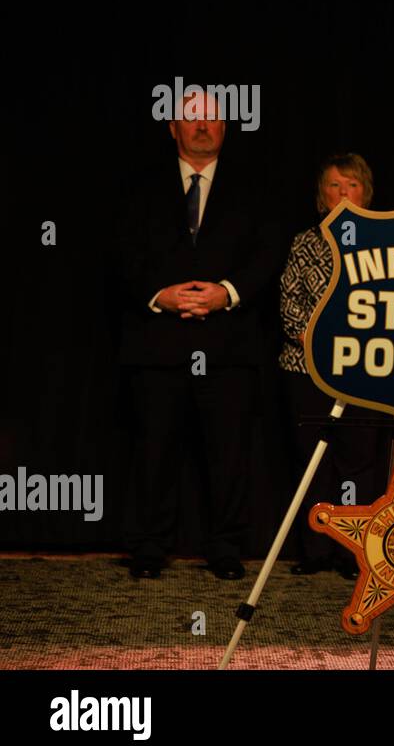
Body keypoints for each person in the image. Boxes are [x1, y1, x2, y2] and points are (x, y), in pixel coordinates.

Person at [116, 92, 281, 580]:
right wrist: (158, 294)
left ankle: (226, 546)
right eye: (190, 118)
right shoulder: (140, 188)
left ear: (226, 126)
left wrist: (226, 293)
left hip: (228, 343)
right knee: (153, 451)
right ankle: (150, 546)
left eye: (211, 116)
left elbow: (268, 253)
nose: (202, 125)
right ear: (172, 128)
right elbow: (120, 253)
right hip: (157, 343)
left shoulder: (255, 188)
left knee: (229, 453)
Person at [279, 153, 387, 578]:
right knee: (313, 463)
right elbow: (290, 307)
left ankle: (351, 552)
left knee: (358, 464)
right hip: (307, 371)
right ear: (322, 198)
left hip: (366, 371)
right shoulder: (304, 243)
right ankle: (315, 550)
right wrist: (321, 343)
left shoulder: (387, 245)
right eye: (334, 187)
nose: (344, 195)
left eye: (353, 186)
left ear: (367, 194)